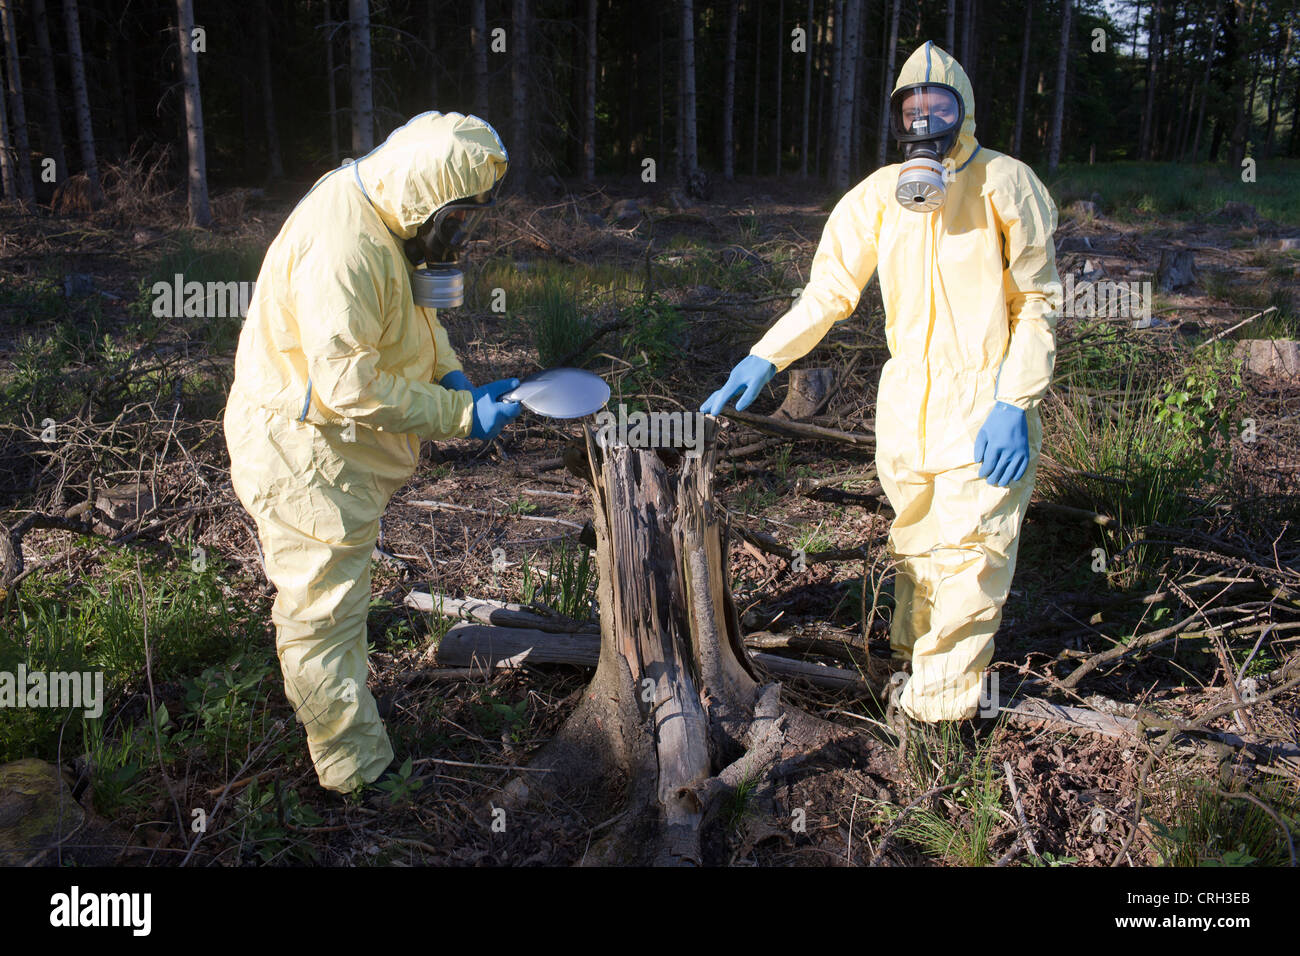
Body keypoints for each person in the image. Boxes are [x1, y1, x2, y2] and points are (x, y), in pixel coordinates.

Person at [701, 43, 1062, 730]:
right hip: (907, 415)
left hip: (985, 406)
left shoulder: (1004, 183)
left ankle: (934, 728)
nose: (925, 120)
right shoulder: (876, 196)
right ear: (897, 119)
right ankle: (908, 670)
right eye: (911, 108)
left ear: (965, 110)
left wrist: (1015, 402)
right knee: (918, 554)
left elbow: (1038, 303)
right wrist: (763, 357)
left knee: (970, 564)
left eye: (939, 106)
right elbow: (828, 293)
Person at [224, 112, 522, 793]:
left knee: (342, 603)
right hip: (304, 455)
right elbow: (344, 382)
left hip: (336, 451)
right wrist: (457, 412)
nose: (461, 229)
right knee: (322, 619)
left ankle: (348, 735)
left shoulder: (387, 214)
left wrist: (452, 375)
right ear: (431, 193)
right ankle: (358, 782)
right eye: (460, 214)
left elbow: (420, 316)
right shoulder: (346, 245)